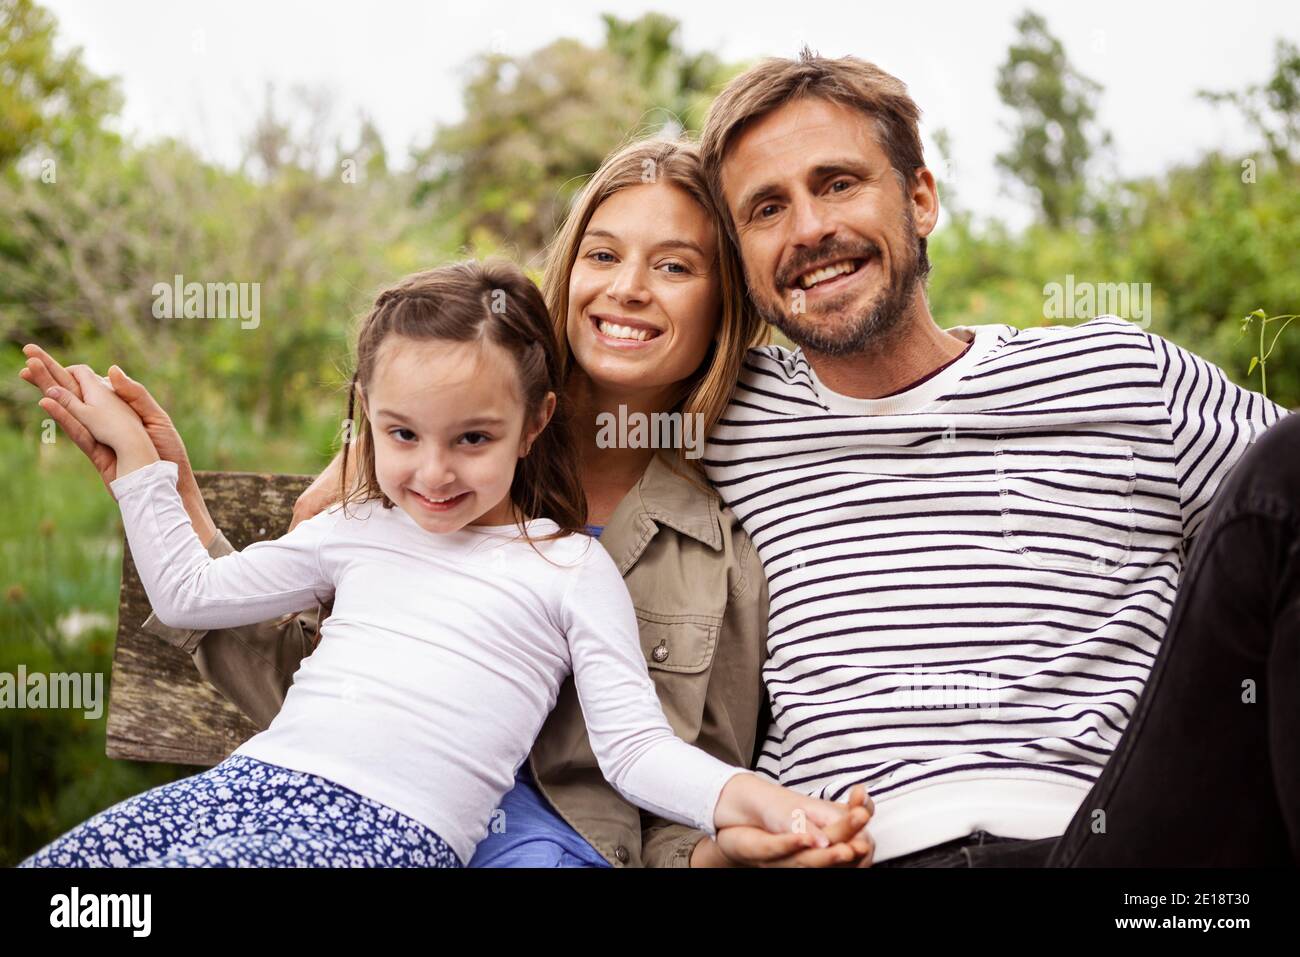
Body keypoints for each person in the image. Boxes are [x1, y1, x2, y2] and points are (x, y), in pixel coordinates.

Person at [19, 138, 874, 868]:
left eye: (676, 265)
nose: (434, 470)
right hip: (253, 785)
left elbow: (644, 754)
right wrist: (150, 474)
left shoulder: (604, 557)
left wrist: (748, 803)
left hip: (434, 836)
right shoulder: (377, 500)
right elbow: (226, 619)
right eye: (604, 255)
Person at [692, 48, 1290, 866]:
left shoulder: (1120, 378)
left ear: (920, 198)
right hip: (860, 850)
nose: (808, 229)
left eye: (837, 183)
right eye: (766, 209)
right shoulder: (719, 415)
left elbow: (1280, 520)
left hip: (1116, 841)